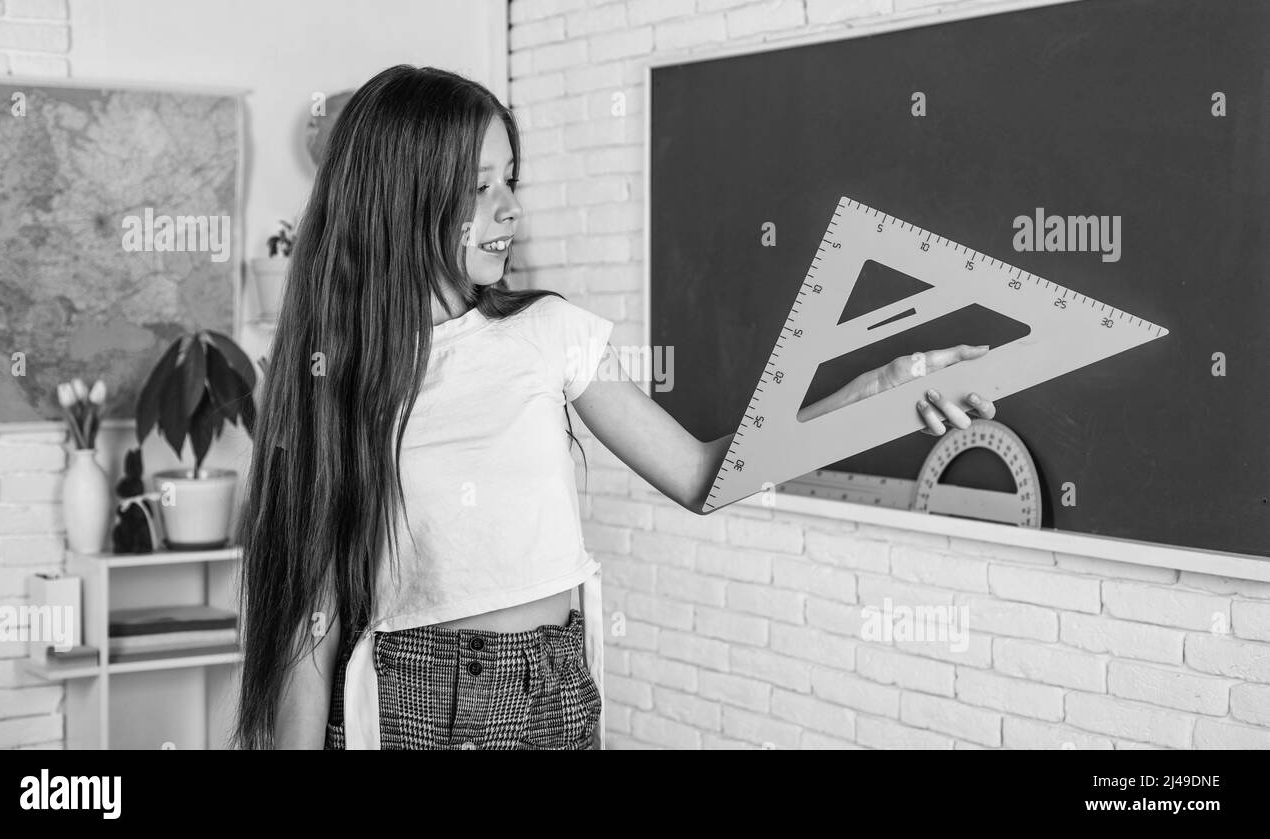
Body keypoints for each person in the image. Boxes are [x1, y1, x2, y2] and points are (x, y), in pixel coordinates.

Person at [231, 64, 997, 750]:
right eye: (477, 186)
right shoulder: (337, 374)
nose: (508, 210)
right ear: (402, 197)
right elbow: (311, 621)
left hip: (560, 689)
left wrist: (883, 385)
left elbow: (703, 472)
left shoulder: (546, 333)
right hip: (417, 706)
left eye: (511, 180)